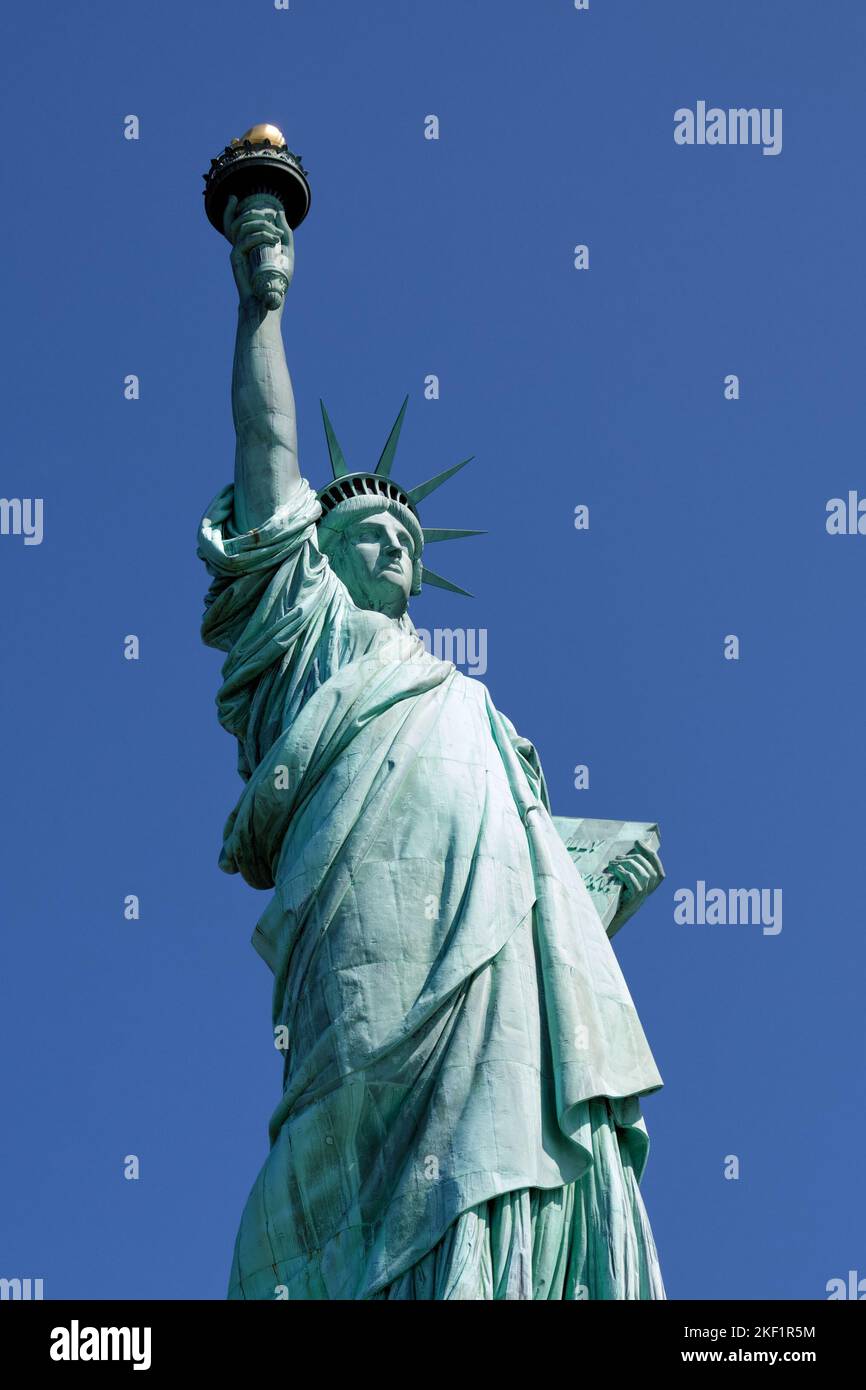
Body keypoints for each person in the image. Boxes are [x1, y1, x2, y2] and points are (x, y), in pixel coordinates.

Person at [198, 195, 667, 1300]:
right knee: (349, 1134)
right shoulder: (308, 636)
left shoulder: (478, 709)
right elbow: (268, 455)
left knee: (509, 1137)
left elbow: (537, 892)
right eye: (370, 533)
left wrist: (598, 878)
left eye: (409, 541)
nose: (397, 551)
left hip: (496, 973)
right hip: (363, 939)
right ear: (321, 551)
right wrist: (260, 303)